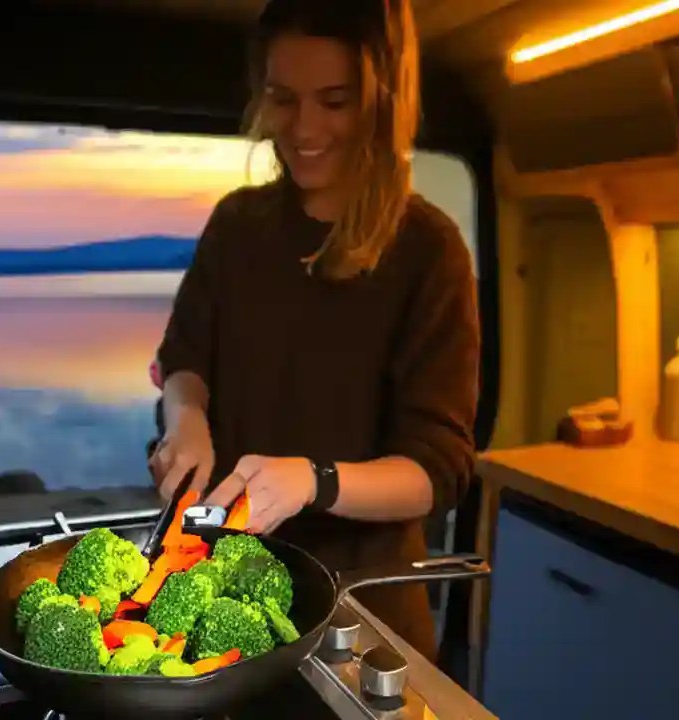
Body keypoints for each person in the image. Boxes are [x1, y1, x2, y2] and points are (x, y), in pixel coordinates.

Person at [148, 0, 479, 661]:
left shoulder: (429, 251)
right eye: (282, 98)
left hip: (362, 615)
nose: (302, 128)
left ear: (382, 106)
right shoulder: (238, 226)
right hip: (225, 595)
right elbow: (185, 364)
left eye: (335, 101)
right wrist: (186, 418)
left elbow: (434, 470)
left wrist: (312, 480)